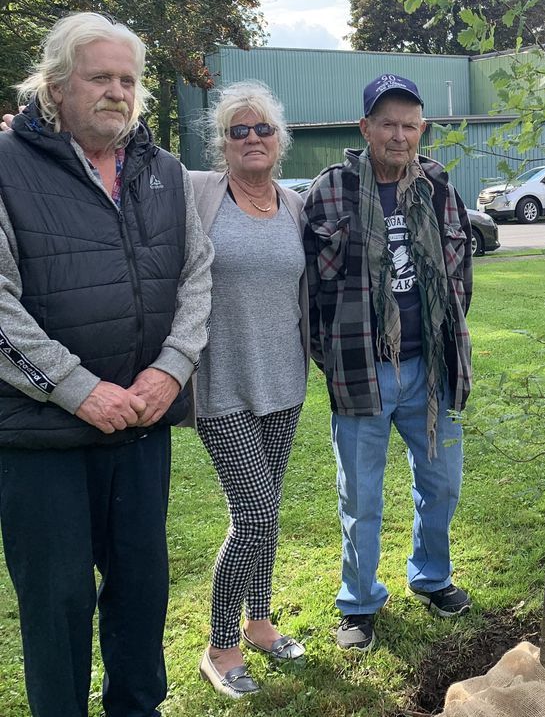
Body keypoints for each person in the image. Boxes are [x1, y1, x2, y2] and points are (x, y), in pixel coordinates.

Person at [0, 13, 213, 717]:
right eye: (100, 77)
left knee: (142, 592)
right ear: (56, 86)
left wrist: (171, 369)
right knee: (57, 606)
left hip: (141, 429)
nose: (117, 92)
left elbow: (197, 280)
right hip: (41, 439)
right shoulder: (7, 168)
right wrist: (78, 389)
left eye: (128, 79)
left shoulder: (166, 172)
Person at [304, 74, 473, 651]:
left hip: (432, 368)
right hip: (361, 367)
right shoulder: (329, 192)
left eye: (410, 125)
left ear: (421, 129)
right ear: (365, 128)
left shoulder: (440, 189)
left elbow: (459, 278)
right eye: (388, 124)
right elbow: (307, 293)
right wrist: (333, 357)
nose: (399, 136)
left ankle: (432, 577)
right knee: (361, 495)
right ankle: (358, 602)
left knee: (442, 483)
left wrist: (445, 335)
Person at [188, 82, 309, 697]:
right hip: (222, 382)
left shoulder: (293, 205)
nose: (252, 139)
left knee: (267, 510)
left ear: (279, 139)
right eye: (238, 130)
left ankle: (260, 623)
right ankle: (219, 644)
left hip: (284, 381)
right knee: (254, 513)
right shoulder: (199, 193)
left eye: (261, 128)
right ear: (223, 144)